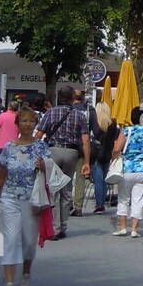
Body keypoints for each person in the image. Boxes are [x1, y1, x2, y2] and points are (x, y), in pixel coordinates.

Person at [0, 107, 49, 286]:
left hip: (33, 199)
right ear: (17, 124)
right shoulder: (9, 147)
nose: (28, 125)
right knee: (11, 238)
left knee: (29, 241)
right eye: (24, 121)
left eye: (31, 121)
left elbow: (52, 173)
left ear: (35, 124)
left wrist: (44, 166)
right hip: (10, 197)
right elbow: (1, 175)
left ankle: (26, 274)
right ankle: (8, 282)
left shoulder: (41, 147)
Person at [34, 86, 90, 240]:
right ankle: (64, 226)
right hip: (72, 153)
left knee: (53, 189)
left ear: (58, 97)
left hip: (53, 151)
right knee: (66, 190)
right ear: (72, 98)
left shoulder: (50, 113)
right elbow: (85, 140)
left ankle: (55, 227)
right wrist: (86, 161)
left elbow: (39, 134)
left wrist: (31, 152)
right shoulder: (79, 115)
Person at [113, 107, 143, 238]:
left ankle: (122, 228)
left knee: (123, 198)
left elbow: (117, 149)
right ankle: (134, 229)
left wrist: (113, 159)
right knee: (138, 200)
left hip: (127, 169)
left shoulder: (126, 131)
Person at [84, 102, 117, 214]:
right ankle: (102, 202)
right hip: (107, 154)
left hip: (97, 154)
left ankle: (99, 204)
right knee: (104, 180)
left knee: (98, 180)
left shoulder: (96, 124)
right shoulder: (112, 124)